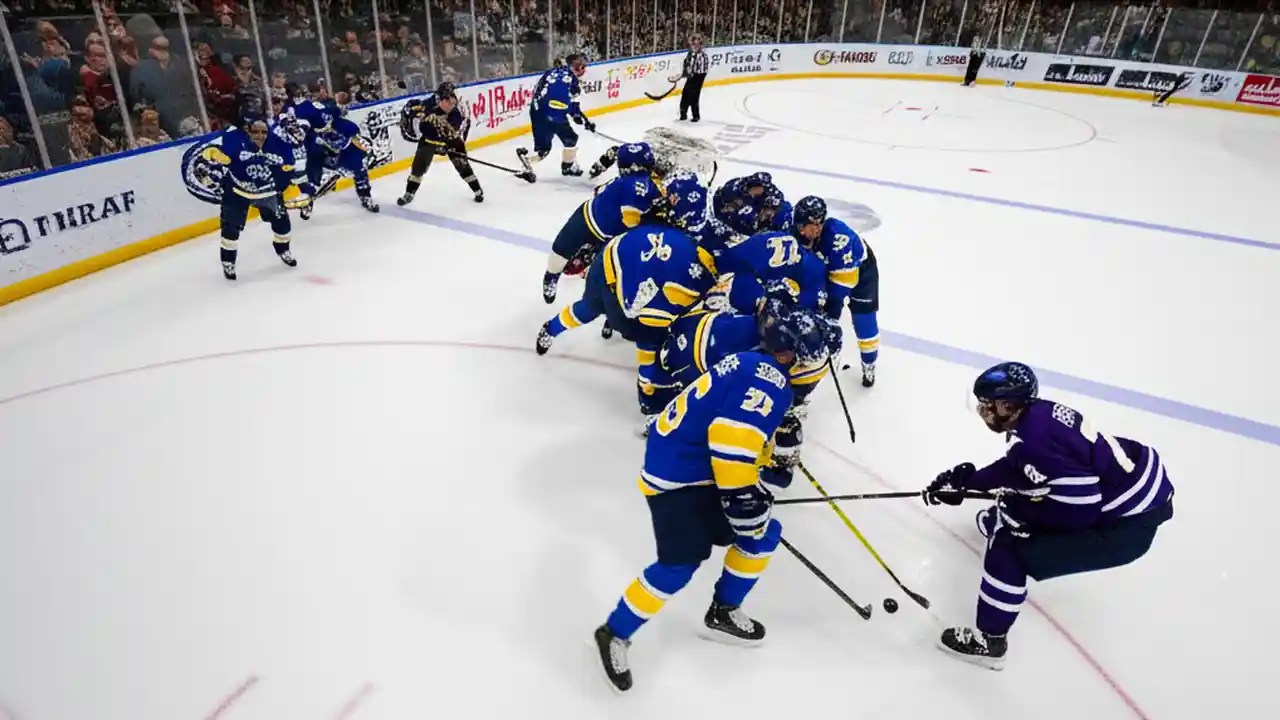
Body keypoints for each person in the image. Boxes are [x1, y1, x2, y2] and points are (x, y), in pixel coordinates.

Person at [592, 302, 833, 693]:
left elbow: (732, 431)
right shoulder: (771, 380)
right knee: (680, 565)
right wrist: (744, 497)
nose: (814, 369)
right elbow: (730, 443)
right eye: (809, 359)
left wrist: (767, 460)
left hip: (696, 467)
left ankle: (723, 609)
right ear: (787, 355)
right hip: (678, 477)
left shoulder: (753, 363)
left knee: (763, 535)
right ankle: (614, 632)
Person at [922, 362, 1175, 669]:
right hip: (1135, 488)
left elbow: (1081, 510)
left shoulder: (1033, 442)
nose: (983, 412)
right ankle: (1006, 519)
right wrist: (969, 482)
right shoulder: (1036, 417)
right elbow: (1023, 469)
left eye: (989, 405)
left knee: (1009, 548)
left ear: (1009, 406)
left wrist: (1022, 514)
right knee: (1014, 510)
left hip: (1126, 529)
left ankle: (990, 642)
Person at [195, 115, 315, 280]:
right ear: (248, 131)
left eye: (264, 132)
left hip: (268, 193)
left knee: (283, 226)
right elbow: (211, 153)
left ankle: (283, 250)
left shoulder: (278, 143)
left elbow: (290, 167)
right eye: (255, 132)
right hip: (237, 192)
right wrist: (213, 155)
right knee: (230, 228)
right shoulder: (234, 140)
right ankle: (228, 261)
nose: (260, 136)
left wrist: (291, 181)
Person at [540, 142, 661, 304]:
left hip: (591, 217)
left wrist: (599, 166)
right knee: (568, 249)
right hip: (600, 225)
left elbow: (614, 155)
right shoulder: (641, 184)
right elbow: (631, 221)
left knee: (564, 249)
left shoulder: (634, 183)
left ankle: (554, 274)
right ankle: (555, 274)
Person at [791, 196, 880, 387]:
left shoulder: (839, 240)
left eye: (817, 224)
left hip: (860, 270)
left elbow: (836, 296)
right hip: (829, 268)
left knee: (863, 319)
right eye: (806, 225)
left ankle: (869, 365)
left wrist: (828, 321)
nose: (812, 230)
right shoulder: (794, 232)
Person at [396, 82, 483, 206]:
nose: (452, 105)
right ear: (442, 98)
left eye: (453, 102)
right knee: (418, 168)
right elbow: (413, 115)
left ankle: (477, 190)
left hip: (449, 141)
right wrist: (411, 112)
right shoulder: (427, 105)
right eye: (449, 101)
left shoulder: (455, 113)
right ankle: (409, 193)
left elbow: (455, 131)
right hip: (429, 141)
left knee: (462, 164)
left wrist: (444, 144)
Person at [515, 53, 595, 180]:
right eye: (583, 67)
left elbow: (539, 91)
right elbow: (574, 111)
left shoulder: (550, 72)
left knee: (544, 149)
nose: (584, 70)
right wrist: (585, 122)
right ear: (578, 67)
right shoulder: (573, 82)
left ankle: (527, 159)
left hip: (537, 111)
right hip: (555, 115)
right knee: (571, 138)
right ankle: (568, 166)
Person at [678, 35, 709, 122]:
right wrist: (685, 72)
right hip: (692, 75)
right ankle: (683, 113)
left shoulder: (703, 56)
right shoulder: (690, 54)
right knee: (685, 93)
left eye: (697, 44)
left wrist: (691, 72)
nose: (695, 46)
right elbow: (687, 64)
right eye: (693, 44)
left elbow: (702, 69)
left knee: (694, 95)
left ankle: (696, 115)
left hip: (698, 76)